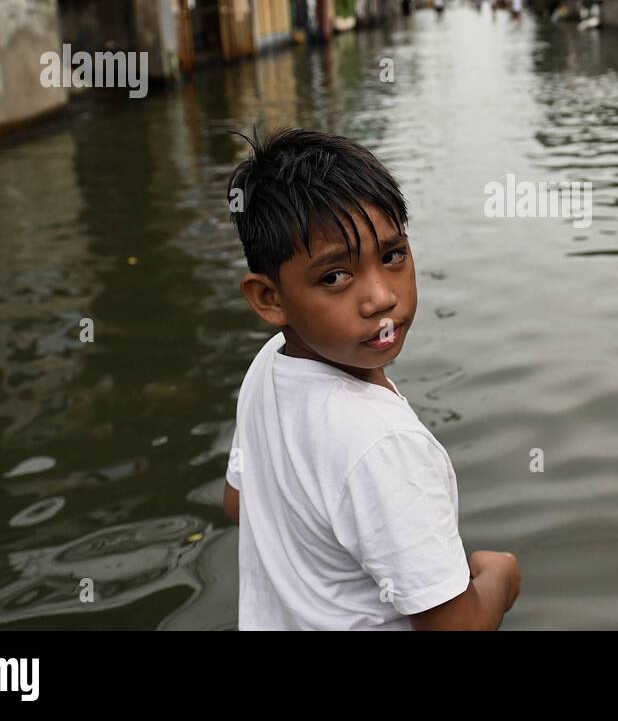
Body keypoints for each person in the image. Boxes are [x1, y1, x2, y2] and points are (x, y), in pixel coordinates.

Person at [222, 128, 522, 630]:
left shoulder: (268, 366)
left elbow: (238, 503)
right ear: (269, 298)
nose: (381, 297)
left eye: (392, 256)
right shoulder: (382, 442)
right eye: (334, 277)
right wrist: (500, 577)